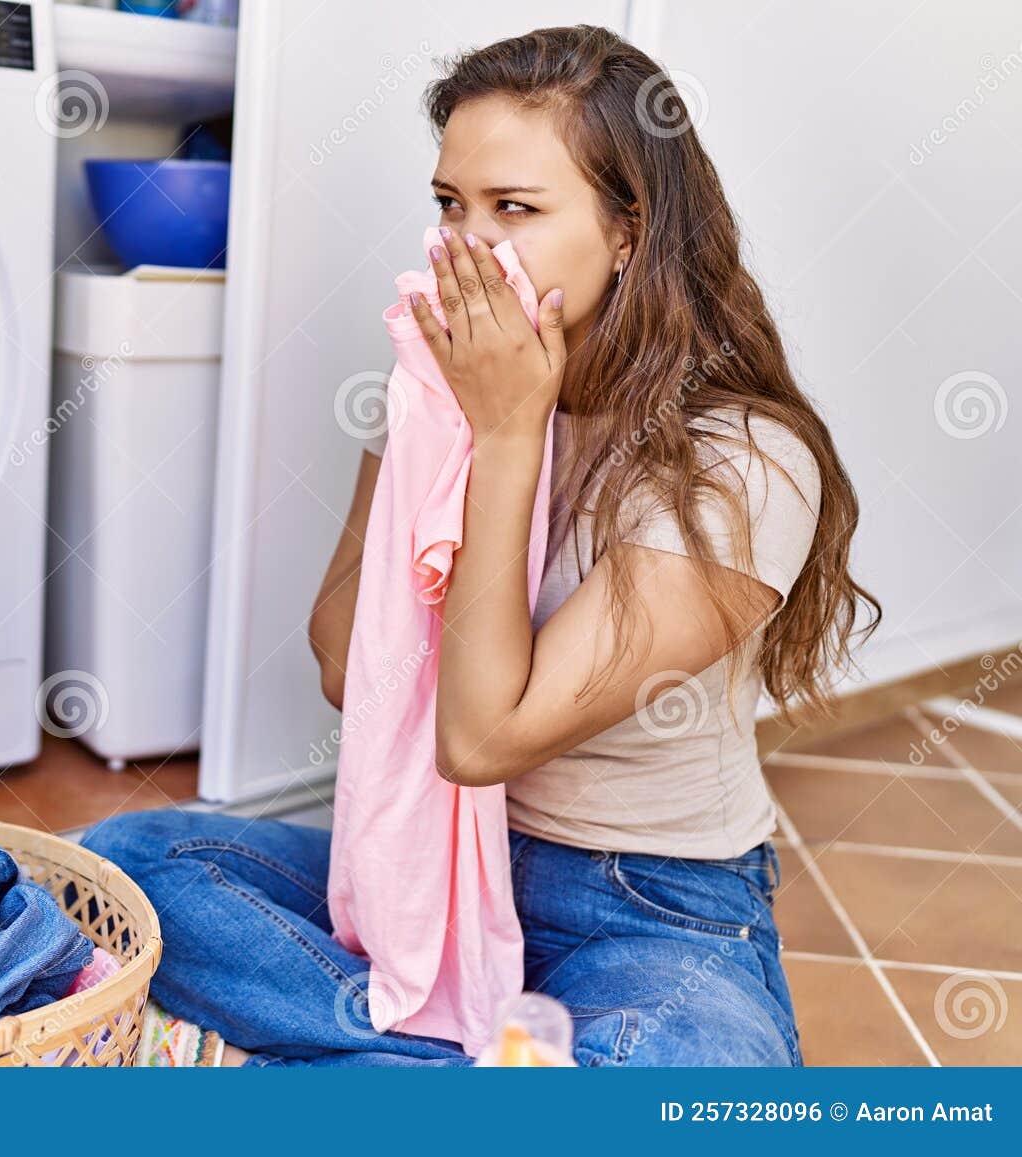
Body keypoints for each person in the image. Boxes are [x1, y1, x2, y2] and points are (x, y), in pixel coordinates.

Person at [84, 24, 879, 1068]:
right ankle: (483, 1064)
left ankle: (403, 1051)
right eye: (450, 204)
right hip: (435, 867)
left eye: (515, 208)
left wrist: (509, 434)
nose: (464, 247)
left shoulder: (740, 460)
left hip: (643, 906)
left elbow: (479, 737)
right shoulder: (440, 395)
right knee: (130, 862)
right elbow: (342, 658)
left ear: (629, 230)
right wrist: (437, 430)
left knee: (692, 1079)